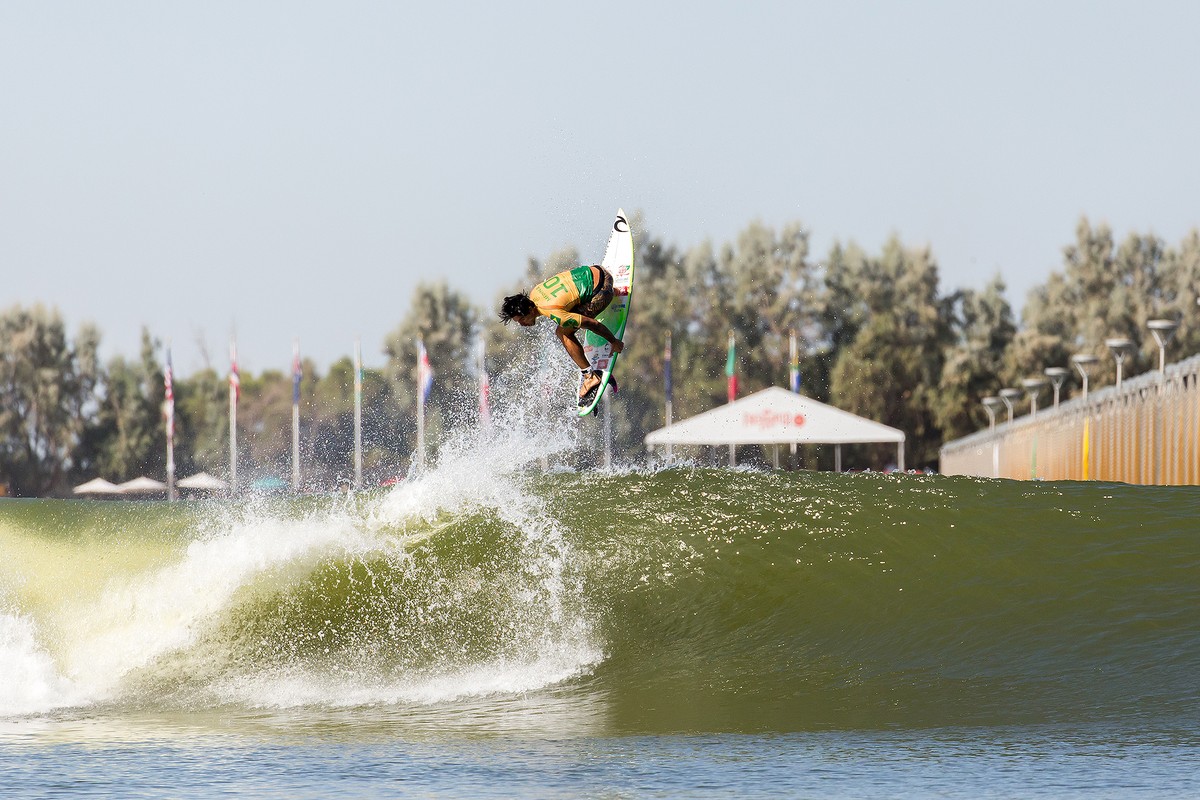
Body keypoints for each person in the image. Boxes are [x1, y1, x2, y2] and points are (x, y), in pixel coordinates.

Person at [499, 264, 624, 401]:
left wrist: (613, 341)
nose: (522, 324)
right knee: (571, 317)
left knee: (563, 332)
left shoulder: (554, 312)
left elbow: (591, 323)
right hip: (599, 271)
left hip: (602, 290)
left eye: (522, 319)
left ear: (530, 309)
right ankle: (608, 292)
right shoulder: (535, 292)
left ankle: (590, 377)